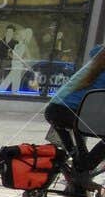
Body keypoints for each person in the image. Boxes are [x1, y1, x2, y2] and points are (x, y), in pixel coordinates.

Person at [45, 43, 105, 179]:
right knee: (86, 163)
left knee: (78, 161)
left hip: (56, 109)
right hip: (68, 111)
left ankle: (78, 190)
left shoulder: (98, 61)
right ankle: (85, 169)